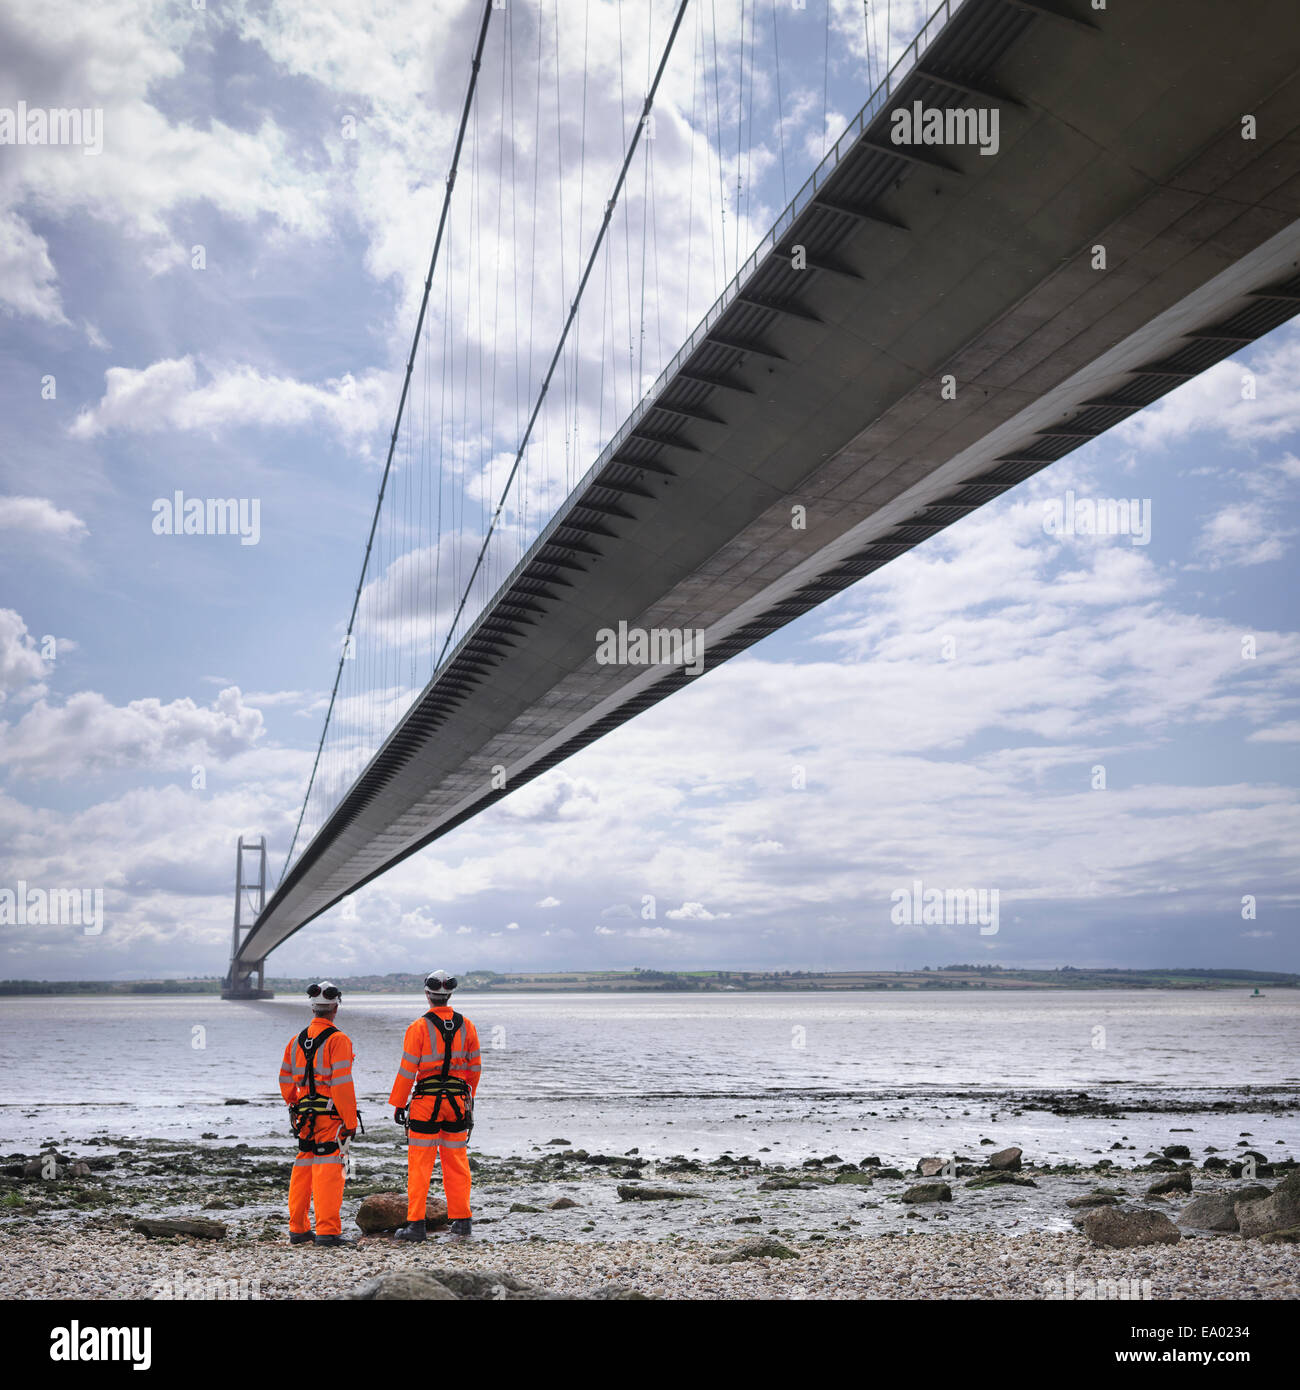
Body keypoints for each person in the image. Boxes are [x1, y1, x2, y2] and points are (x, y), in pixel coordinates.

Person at [389, 970, 481, 1242]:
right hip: (456, 1104)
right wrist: (468, 1099)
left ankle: (416, 1225)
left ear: (428, 995)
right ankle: (462, 1221)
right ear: (449, 994)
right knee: (457, 1163)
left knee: (420, 1165)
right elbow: (474, 1069)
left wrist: (398, 1103)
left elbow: (407, 1071)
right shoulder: (468, 1026)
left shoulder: (417, 1028)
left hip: (425, 1105)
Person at [278, 981, 358, 1247]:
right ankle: (327, 1232)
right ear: (335, 1008)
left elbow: (285, 1080)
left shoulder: (295, 1041)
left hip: (304, 1116)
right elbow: (342, 1085)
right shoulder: (339, 1040)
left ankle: (298, 1229)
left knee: (303, 1167)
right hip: (329, 1117)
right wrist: (349, 1121)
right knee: (329, 1170)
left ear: (313, 1008)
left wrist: (294, 1105)